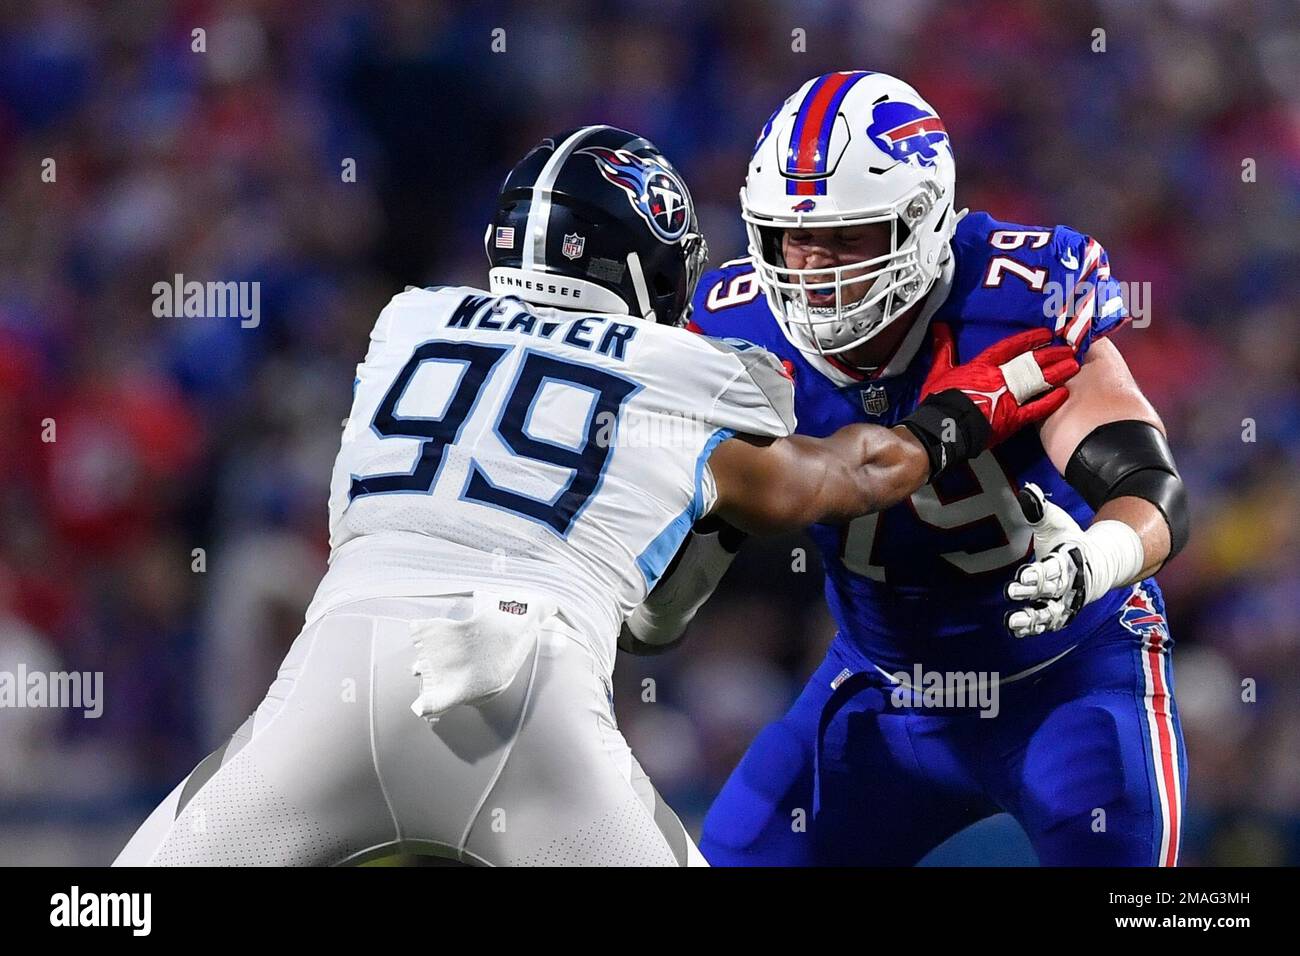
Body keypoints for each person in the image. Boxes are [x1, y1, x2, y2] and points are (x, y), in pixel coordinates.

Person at [113, 125, 1072, 867]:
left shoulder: (409, 322)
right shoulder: (682, 369)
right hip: (524, 692)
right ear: (643, 262)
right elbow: (842, 481)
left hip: (333, 677)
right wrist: (978, 403)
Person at [672, 72, 1189, 866]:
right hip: (882, 686)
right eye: (792, 239)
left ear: (921, 221)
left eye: (848, 238)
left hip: (1072, 672)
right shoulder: (731, 327)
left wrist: (1098, 559)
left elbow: (1150, 491)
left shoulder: (1019, 296)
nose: (813, 271)